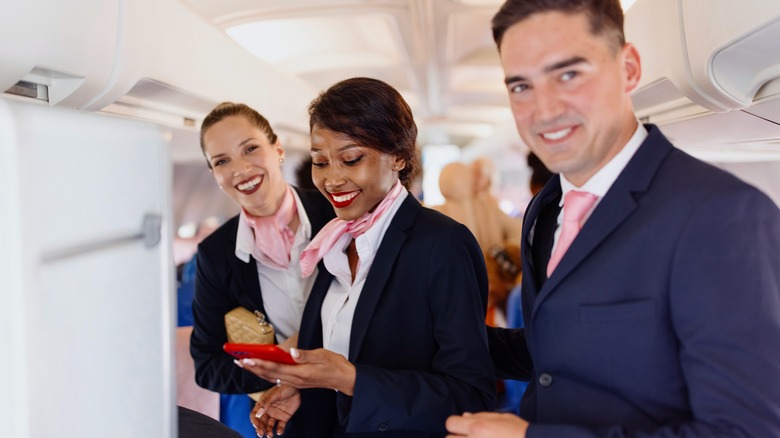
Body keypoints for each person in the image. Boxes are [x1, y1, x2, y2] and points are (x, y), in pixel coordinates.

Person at [446, 0, 780, 437]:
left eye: (568, 74)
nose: (544, 110)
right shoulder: (546, 210)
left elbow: (745, 430)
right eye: (521, 86)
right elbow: (557, 352)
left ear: (629, 69)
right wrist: (431, 336)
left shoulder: (722, 215)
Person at [236, 77, 496, 437]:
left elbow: (470, 396)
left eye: (351, 159)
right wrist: (302, 389)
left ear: (400, 157)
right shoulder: (335, 240)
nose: (332, 179)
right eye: (320, 162)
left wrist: (352, 379)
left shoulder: (442, 245)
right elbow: (338, 351)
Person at [189, 102, 335, 435]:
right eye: (222, 161)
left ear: (278, 149)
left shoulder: (335, 211)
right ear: (214, 175)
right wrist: (280, 367)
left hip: (365, 400)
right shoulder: (215, 254)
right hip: (294, 419)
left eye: (250, 149)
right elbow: (207, 367)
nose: (239, 169)